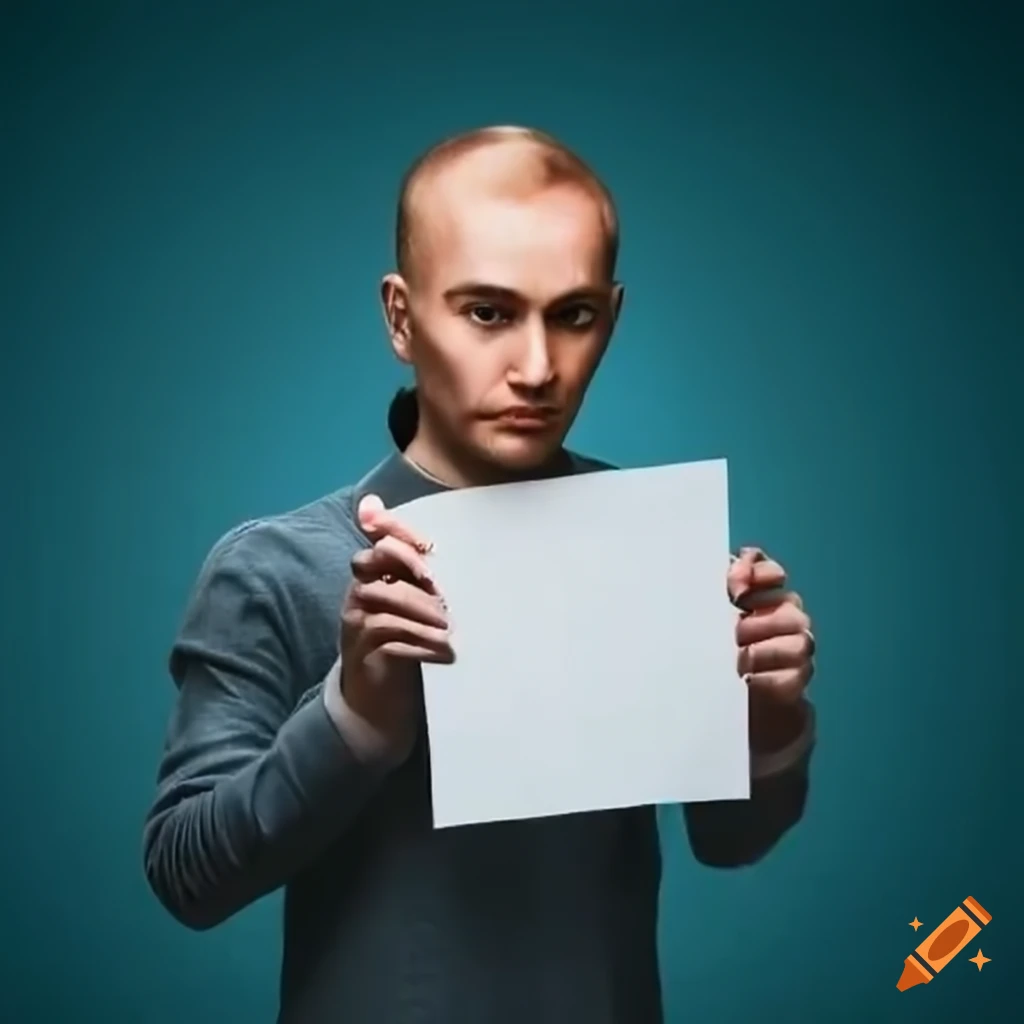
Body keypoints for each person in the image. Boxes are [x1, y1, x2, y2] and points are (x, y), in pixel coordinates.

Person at [143, 125, 817, 1024]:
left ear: (611, 317)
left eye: (573, 315)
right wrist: (356, 714)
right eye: (489, 313)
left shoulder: (649, 545)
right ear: (400, 317)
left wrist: (768, 719)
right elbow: (188, 875)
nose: (536, 369)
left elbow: (728, 842)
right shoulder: (277, 569)